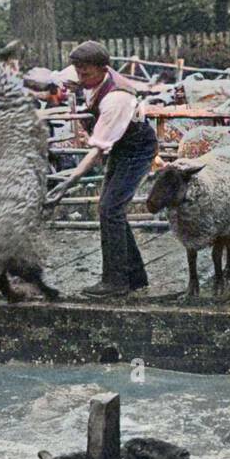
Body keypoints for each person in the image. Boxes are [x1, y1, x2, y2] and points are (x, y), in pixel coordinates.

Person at [56, 40, 158, 297]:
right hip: (121, 146)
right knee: (111, 208)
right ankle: (134, 277)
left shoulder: (116, 98)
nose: (81, 77)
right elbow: (56, 79)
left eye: (86, 74)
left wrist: (70, 181)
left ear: (104, 69)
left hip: (137, 147)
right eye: (78, 71)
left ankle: (115, 281)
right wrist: (67, 84)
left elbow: (98, 149)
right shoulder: (85, 72)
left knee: (110, 208)